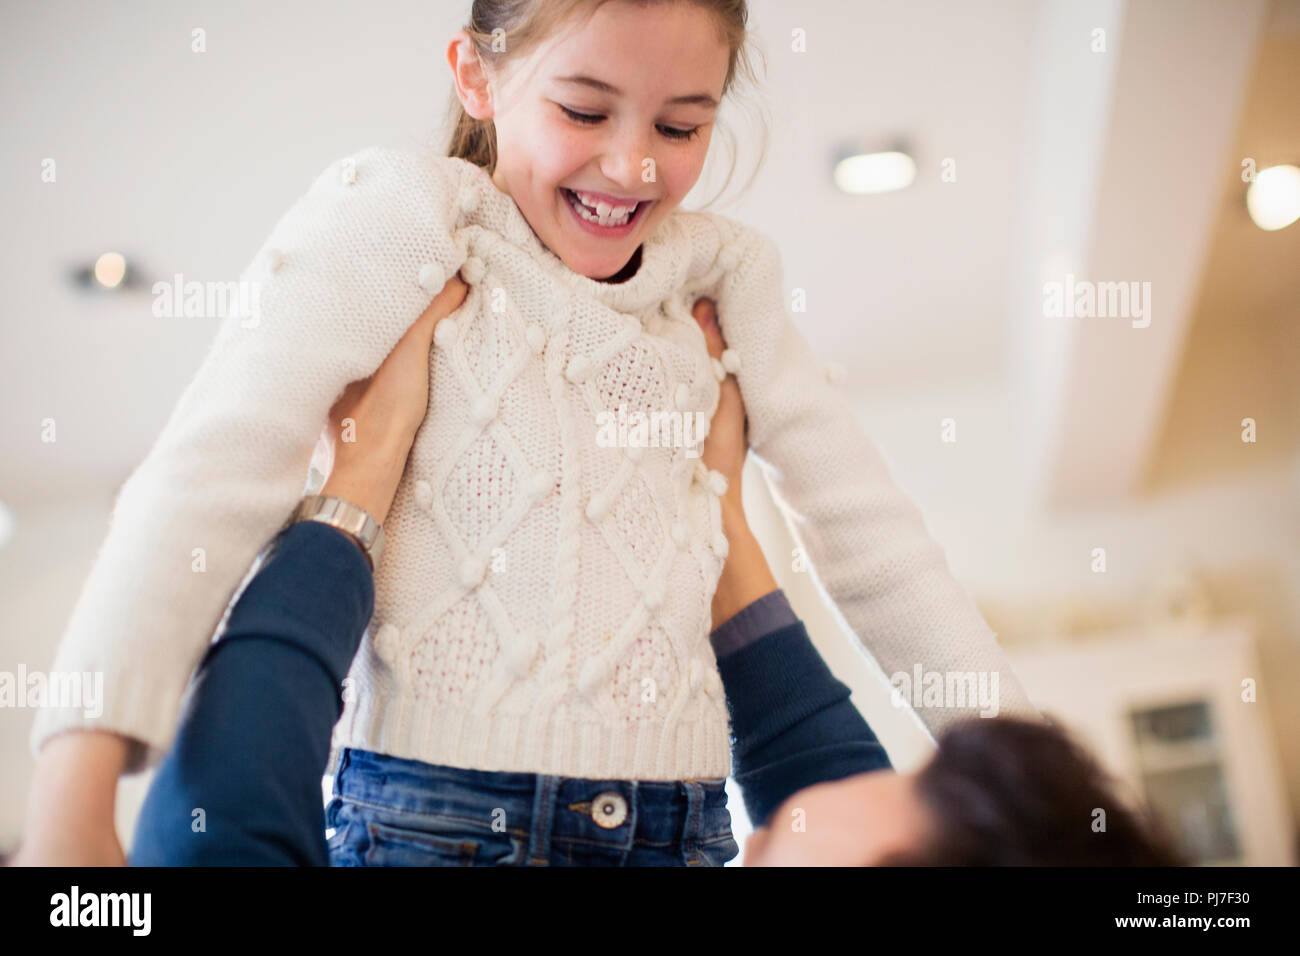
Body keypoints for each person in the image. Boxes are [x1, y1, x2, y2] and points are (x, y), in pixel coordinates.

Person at [25, 0, 1040, 865]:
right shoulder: (408, 216)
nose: (633, 163)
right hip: (431, 817)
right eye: (583, 109)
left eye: (684, 125)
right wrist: (74, 784)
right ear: (477, 73)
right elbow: (215, 461)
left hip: (678, 829)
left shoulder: (729, 275)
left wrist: (1033, 785)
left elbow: (873, 538)